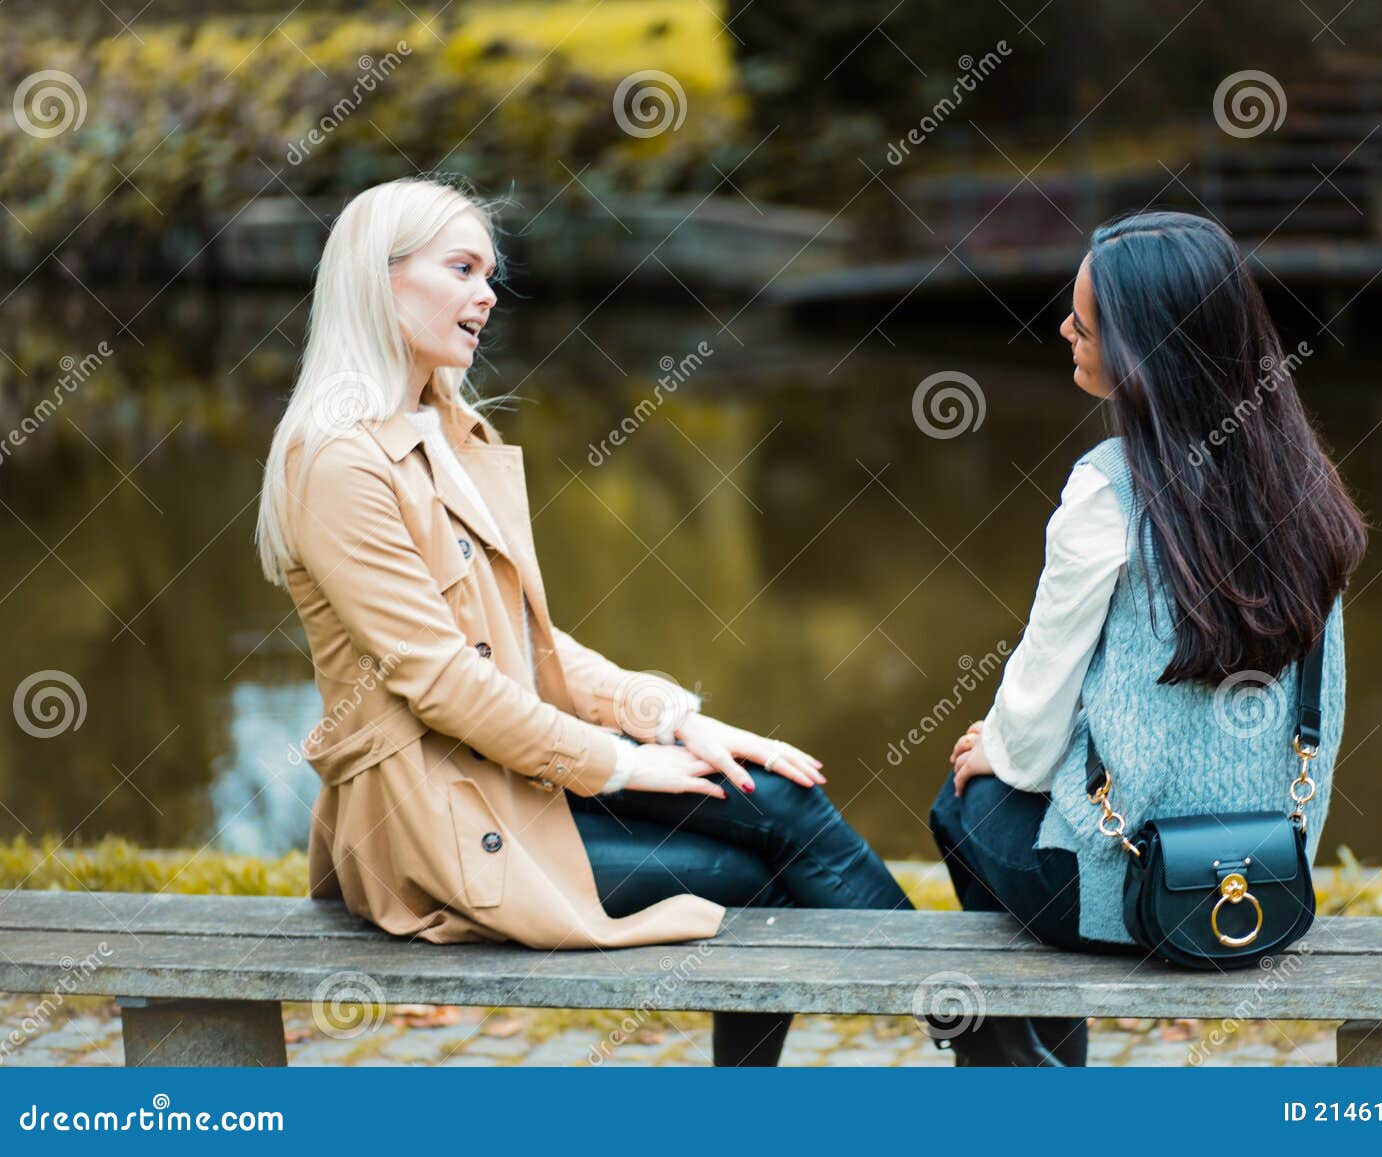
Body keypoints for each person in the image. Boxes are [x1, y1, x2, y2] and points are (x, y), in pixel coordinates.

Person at [253, 176, 911, 1067]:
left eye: (489, 271)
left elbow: (530, 647)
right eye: (462, 268)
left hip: (510, 782)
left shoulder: (451, 430)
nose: (488, 293)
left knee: (769, 790)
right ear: (382, 278)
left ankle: (985, 1042)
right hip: (435, 825)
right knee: (761, 876)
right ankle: (988, 1045)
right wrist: (626, 765)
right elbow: (441, 680)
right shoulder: (337, 459)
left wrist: (676, 718)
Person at [926, 211, 1367, 1066]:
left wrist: (998, 751)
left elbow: (1033, 716)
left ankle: (1021, 1079)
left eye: (1084, 323)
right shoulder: (1310, 488)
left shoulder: (1105, 493)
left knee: (963, 799)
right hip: (1265, 880)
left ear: (1144, 352)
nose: (1064, 331)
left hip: (1121, 888)